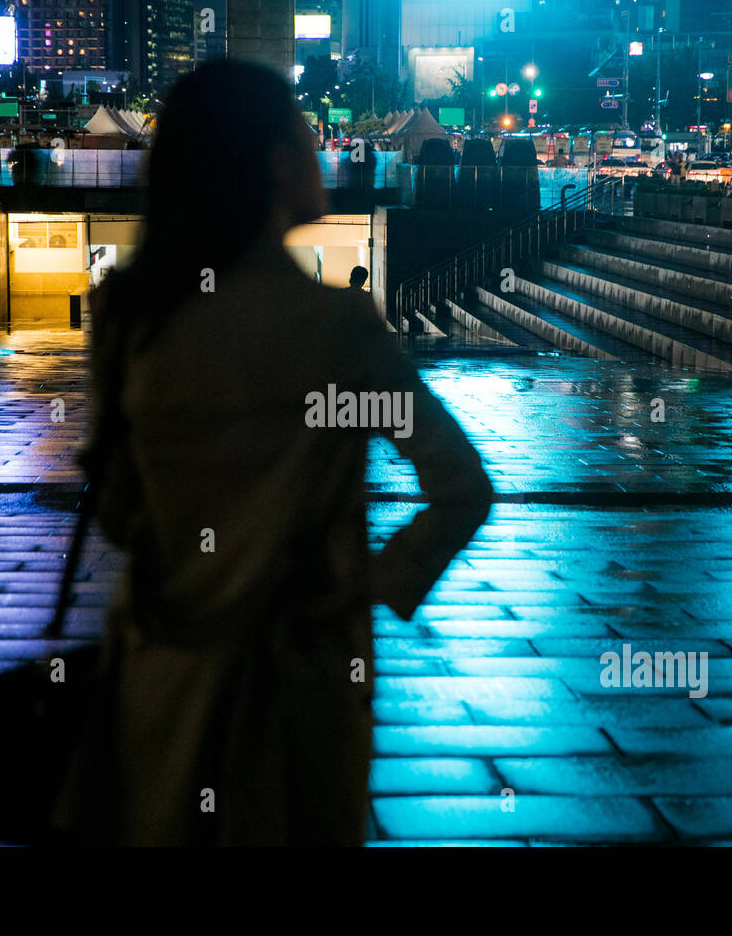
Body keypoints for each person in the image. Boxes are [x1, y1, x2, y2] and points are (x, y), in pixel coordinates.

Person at [51, 59, 493, 846]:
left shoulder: (131, 314)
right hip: (301, 679)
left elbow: (118, 513)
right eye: (299, 135)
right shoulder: (339, 329)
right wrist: (374, 581)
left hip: (160, 674)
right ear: (270, 164)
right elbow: (461, 488)